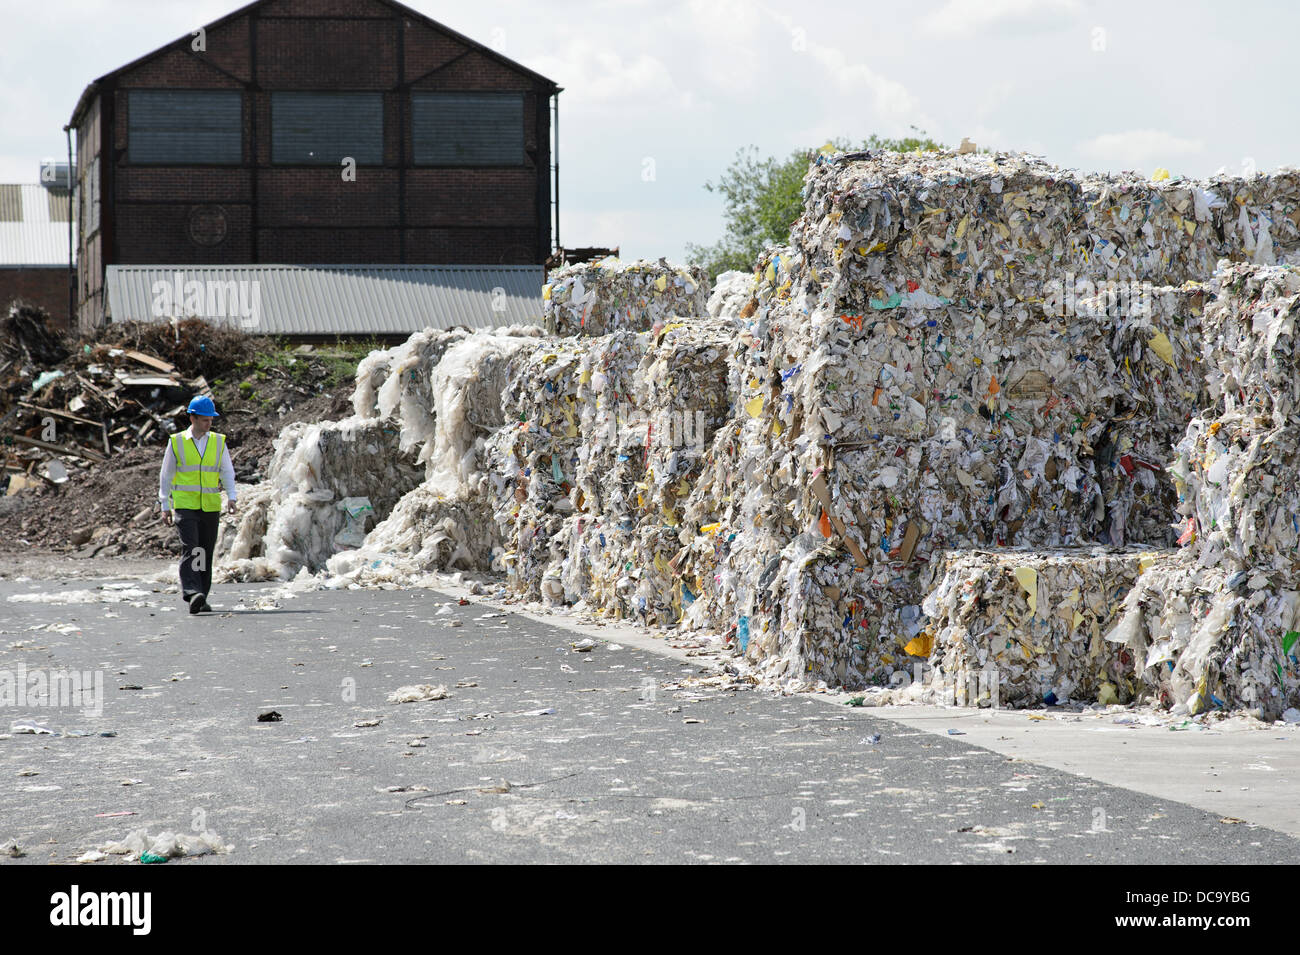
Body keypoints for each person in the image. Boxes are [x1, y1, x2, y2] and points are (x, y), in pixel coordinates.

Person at [158, 395, 238, 613]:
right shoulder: (177, 442)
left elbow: (227, 471)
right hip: (185, 504)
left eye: (211, 420)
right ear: (192, 418)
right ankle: (192, 591)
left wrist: (232, 496)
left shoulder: (218, 441)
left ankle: (201, 595)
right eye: (205, 419)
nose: (209, 423)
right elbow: (166, 475)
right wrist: (165, 504)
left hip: (210, 505)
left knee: (204, 551)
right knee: (190, 547)